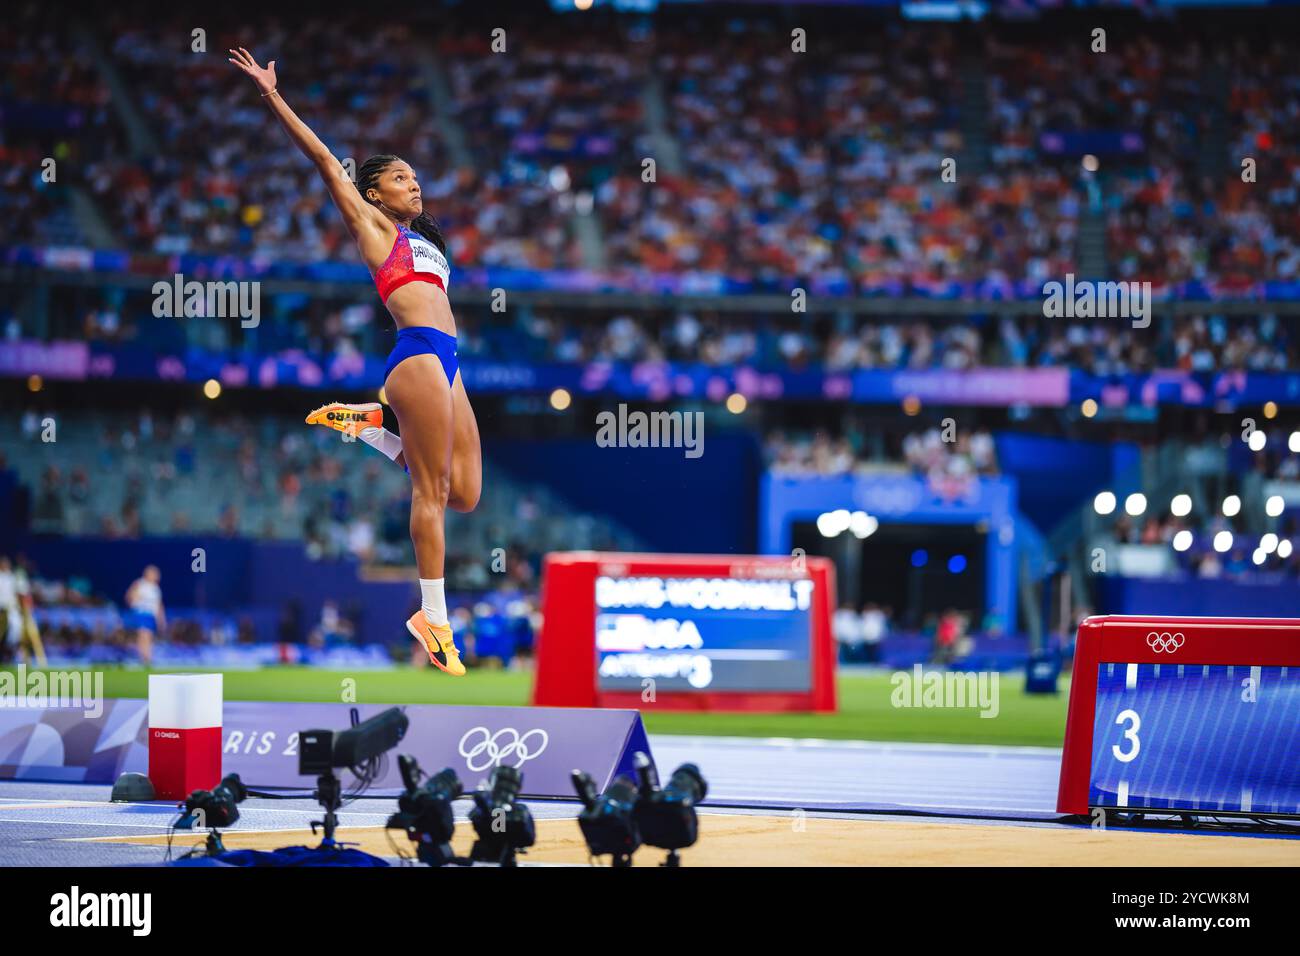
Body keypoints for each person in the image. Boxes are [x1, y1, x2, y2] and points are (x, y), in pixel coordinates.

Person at [230, 47, 480, 675]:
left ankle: (373, 427)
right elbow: (321, 159)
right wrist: (272, 95)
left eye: (416, 177)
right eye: (401, 177)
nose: (414, 183)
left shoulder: (425, 241)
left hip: (448, 363)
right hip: (418, 356)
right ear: (373, 191)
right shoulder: (372, 226)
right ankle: (433, 616)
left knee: (467, 495)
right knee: (432, 489)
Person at [124, 565, 165, 667]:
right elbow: (129, 596)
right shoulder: (140, 583)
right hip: (141, 613)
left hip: (151, 615)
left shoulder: (156, 589)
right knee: (143, 635)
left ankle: (147, 657)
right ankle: (144, 658)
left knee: (149, 636)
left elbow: (159, 605)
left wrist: (161, 620)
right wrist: (135, 601)